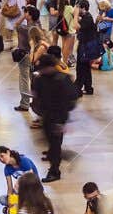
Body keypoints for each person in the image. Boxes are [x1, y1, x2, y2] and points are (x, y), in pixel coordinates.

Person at [31, 49, 78, 181]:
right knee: (51, 141)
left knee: (55, 143)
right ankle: (53, 154)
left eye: (43, 68)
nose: (41, 71)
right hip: (47, 115)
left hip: (58, 117)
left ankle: (54, 171)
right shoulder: (41, 78)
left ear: (50, 67)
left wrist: (63, 119)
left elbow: (72, 98)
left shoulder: (62, 79)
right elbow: (36, 94)